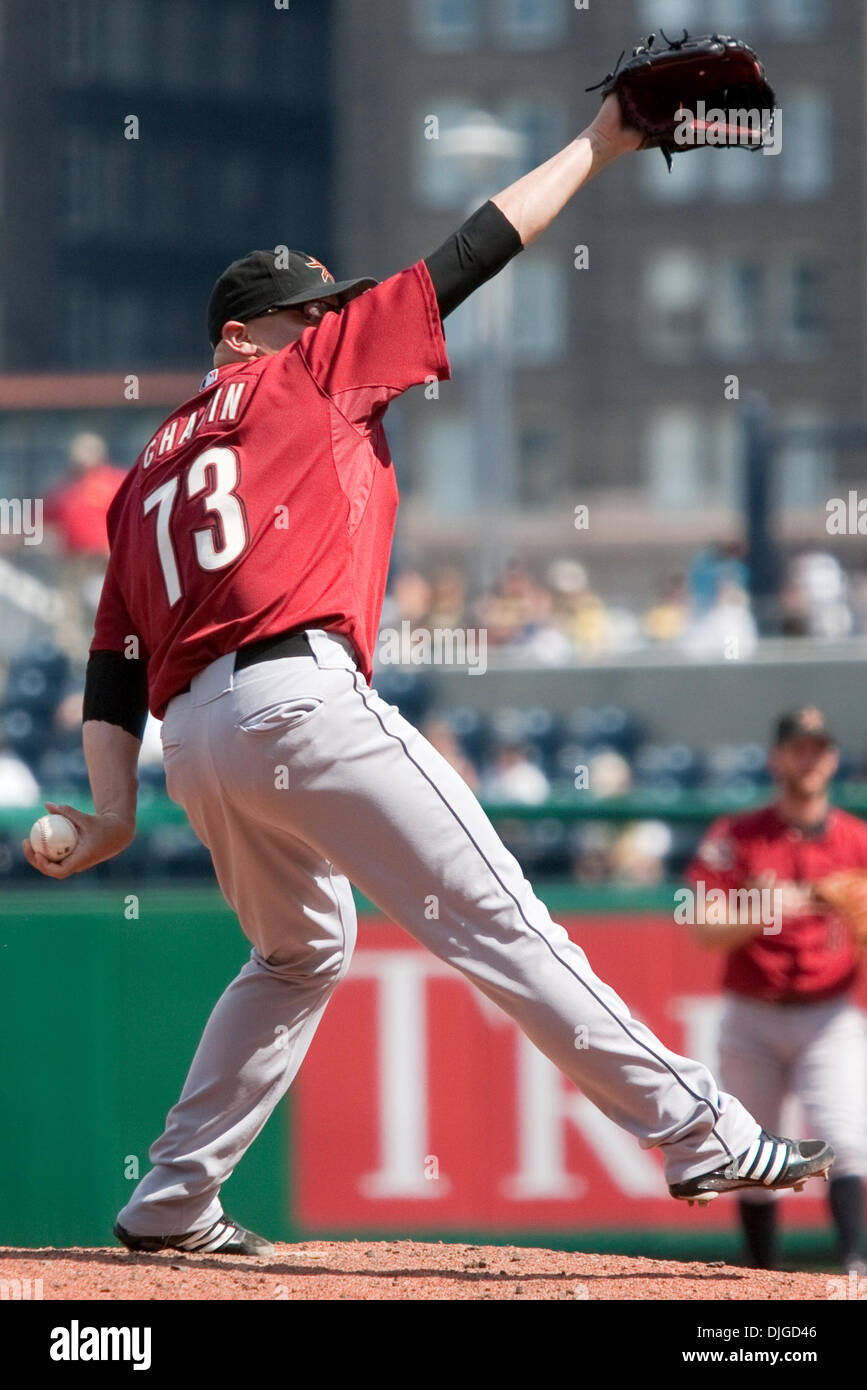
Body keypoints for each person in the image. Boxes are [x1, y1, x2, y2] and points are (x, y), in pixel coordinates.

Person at [25, 94, 832, 1257]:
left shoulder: (149, 474)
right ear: (239, 338)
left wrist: (110, 809)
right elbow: (473, 251)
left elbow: (113, 660)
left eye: (326, 313)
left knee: (299, 949)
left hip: (197, 741)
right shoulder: (300, 378)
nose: (329, 324)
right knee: (507, 924)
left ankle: (169, 1200)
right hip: (300, 698)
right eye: (304, 315)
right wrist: (602, 143)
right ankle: (699, 1129)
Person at [686, 707, 867, 1274]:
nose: (808, 759)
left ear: (832, 758)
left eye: (818, 748)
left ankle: (857, 1270)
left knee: (846, 1137)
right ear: (777, 756)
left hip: (828, 1014)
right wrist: (761, 908)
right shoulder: (736, 836)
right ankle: (760, 1282)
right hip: (753, 1012)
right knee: (752, 1151)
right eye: (798, 747)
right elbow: (701, 926)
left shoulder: (857, 842)